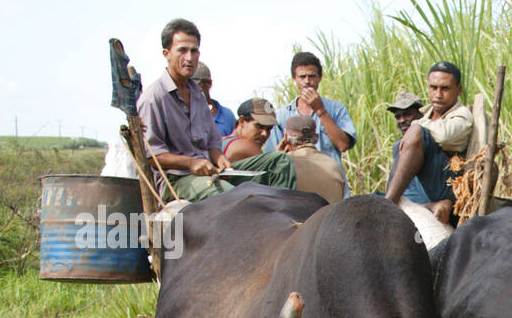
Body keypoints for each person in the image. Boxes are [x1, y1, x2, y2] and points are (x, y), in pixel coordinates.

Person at [137, 18, 296, 202]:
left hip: (210, 171)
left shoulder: (197, 94)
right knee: (232, 196)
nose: (189, 58)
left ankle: (280, 217)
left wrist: (220, 159)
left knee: (279, 161)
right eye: (182, 50)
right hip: (176, 179)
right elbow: (151, 155)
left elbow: (213, 142)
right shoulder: (154, 98)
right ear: (167, 53)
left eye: (194, 51)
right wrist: (190, 163)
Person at [384, 62, 473, 225]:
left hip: (450, 185)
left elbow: (445, 135)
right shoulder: (427, 117)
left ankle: (388, 204)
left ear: (458, 90)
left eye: (444, 88)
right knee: (399, 144)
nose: (438, 94)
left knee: (415, 133)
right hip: (427, 188)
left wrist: (416, 125)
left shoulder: (462, 115)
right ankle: (411, 204)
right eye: (433, 88)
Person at [265, 51, 357, 197]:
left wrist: (320, 110)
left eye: (312, 76)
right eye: (302, 77)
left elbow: (343, 145)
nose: (307, 81)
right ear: (294, 79)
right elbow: (273, 156)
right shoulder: (282, 115)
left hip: (330, 187)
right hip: (296, 189)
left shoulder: (335, 109)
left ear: (319, 78)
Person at [283, 116, 344, 204]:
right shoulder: (334, 165)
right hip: (330, 216)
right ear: (316, 137)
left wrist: (278, 156)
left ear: (285, 137)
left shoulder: (283, 165)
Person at [193, 62, 236, 137]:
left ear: (209, 83)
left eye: (193, 85)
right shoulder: (179, 114)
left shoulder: (227, 116)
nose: (188, 89)